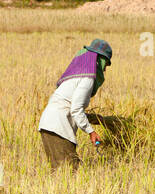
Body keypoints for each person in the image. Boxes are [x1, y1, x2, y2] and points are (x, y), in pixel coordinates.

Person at [38, 38, 113, 168]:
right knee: (71, 171)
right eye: (105, 64)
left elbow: (68, 106)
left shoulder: (74, 76)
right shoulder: (88, 78)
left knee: (60, 173)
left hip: (48, 124)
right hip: (59, 128)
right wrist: (91, 132)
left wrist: (97, 119)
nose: (104, 70)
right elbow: (76, 109)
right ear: (98, 60)